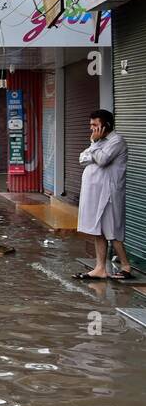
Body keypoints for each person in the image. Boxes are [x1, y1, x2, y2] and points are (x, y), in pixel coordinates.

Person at [75, 109, 138, 280]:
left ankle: (125, 266)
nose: (92, 129)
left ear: (106, 125)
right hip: (95, 193)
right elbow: (82, 159)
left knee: (113, 231)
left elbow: (102, 160)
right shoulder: (98, 141)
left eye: (95, 125)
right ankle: (100, 268)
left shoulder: (116, 141)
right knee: (98, 230)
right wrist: (94, 147)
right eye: (91, 125)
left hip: (109, 193)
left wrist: (94, 146)